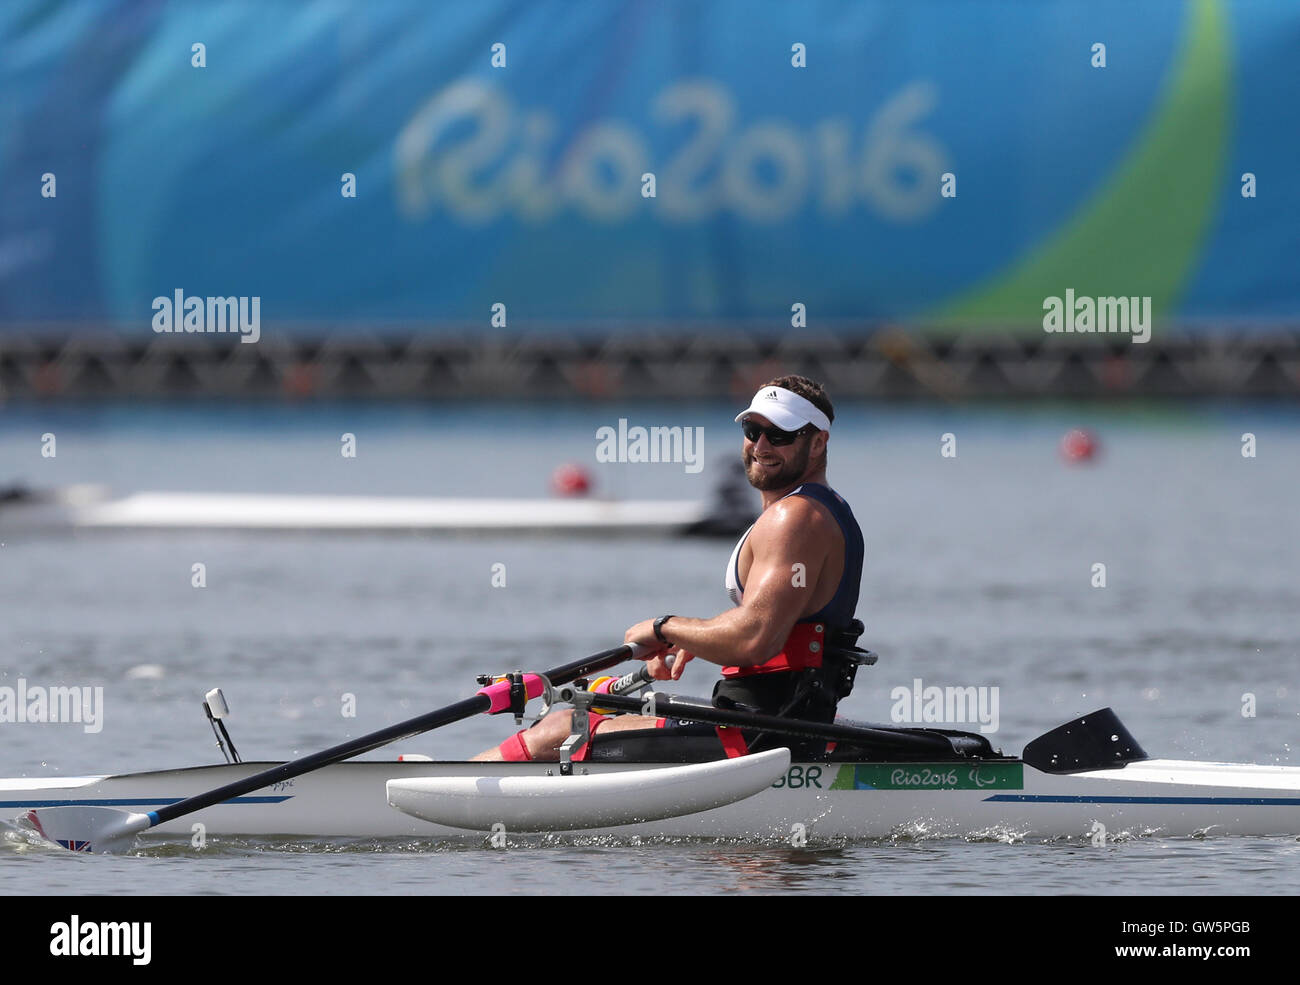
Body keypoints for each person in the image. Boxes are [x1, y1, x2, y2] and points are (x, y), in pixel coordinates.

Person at [472, 375, 865, 762]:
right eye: (752, 429)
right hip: (777, 722)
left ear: (817, 443)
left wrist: (664, 627)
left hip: (760, 738)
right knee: (599, 707)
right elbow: (776, 623)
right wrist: (697, 637)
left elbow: (755, 640)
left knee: (561, 729)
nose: (760, 445)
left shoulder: (793, 517)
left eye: (780, 434)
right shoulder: (825, 509)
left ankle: (429, 794)